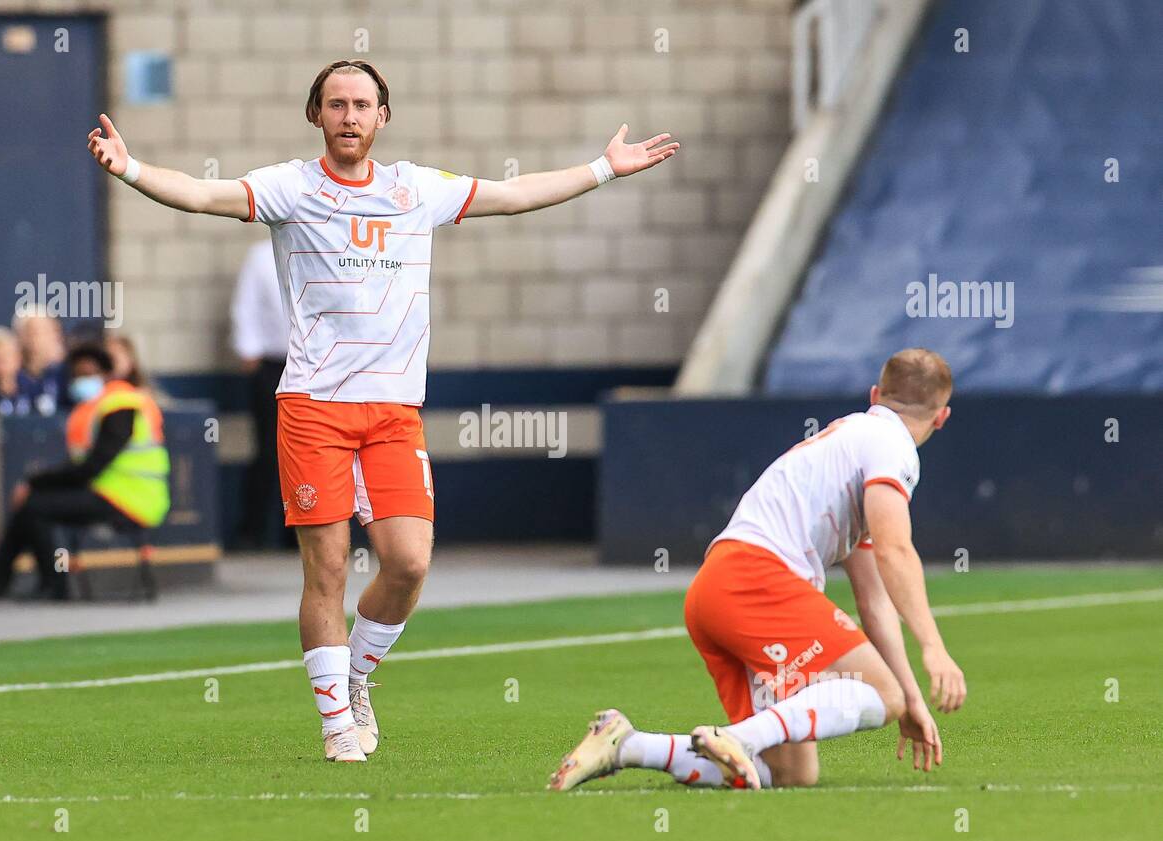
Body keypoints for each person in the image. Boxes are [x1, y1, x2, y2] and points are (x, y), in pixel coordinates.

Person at [87, 58, 679, 762]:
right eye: (335, 104)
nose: (348, 116)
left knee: (407, 562)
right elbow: (201, 195)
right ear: (316, 115)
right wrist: (131, 169)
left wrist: (603, 169)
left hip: (395, 411)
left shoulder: (415, 190)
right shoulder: (290, 188)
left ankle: (357, 680)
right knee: (328, 570)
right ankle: (338, 726)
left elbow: (515, 195)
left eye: (361, 104)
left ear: (382, 117)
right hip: (313, 407)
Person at [549, 349, 968, 791]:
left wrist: (912, 699)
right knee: (881, 696)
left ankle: (626, 745)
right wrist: (932, 649)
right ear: (941, 418)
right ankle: (736, 737)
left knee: (790, 773)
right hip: (757, 582)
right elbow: (895, 549)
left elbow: (875, 599)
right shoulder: (893, 447)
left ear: (874, 395)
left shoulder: (848, 441)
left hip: (716, 591)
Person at [0, 342, 170, 600]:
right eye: (77, 374)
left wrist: (35, 482)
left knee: (35, 507)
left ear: (105, 373)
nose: (82, 379)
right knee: (31, 504)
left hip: (131, 499)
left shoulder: (121, 404)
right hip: (108, 493)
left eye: (89, 373)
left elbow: (92, 466)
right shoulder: (90, 408)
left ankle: (53, 584)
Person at [230, 240, 288, 550]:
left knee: (311, 451)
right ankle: (252, 531)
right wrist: (248, 350)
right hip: (272, 363)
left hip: (318, 364)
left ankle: (297, 535)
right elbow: (246, 305)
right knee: (269, 447)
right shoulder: (262, 256)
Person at [14, 308, 68, 415]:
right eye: (43, 331)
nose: (53, 337)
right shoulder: (11, 377)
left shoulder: (66, 373)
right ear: (22, 336)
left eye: (55, 331)